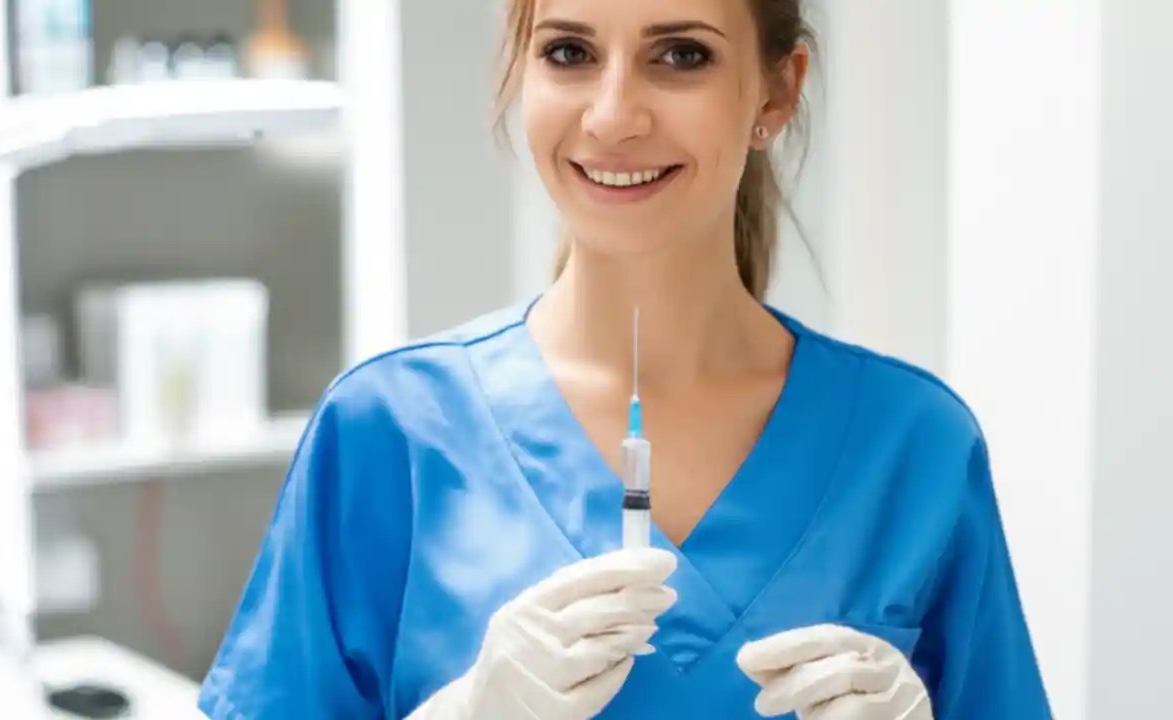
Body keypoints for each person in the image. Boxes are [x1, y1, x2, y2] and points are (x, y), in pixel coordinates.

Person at [198, 0, 1054, 717]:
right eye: (568, 51)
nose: (612, 115)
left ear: (777, 92)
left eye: (681, 55)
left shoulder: (914, 449)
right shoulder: (388, 432)